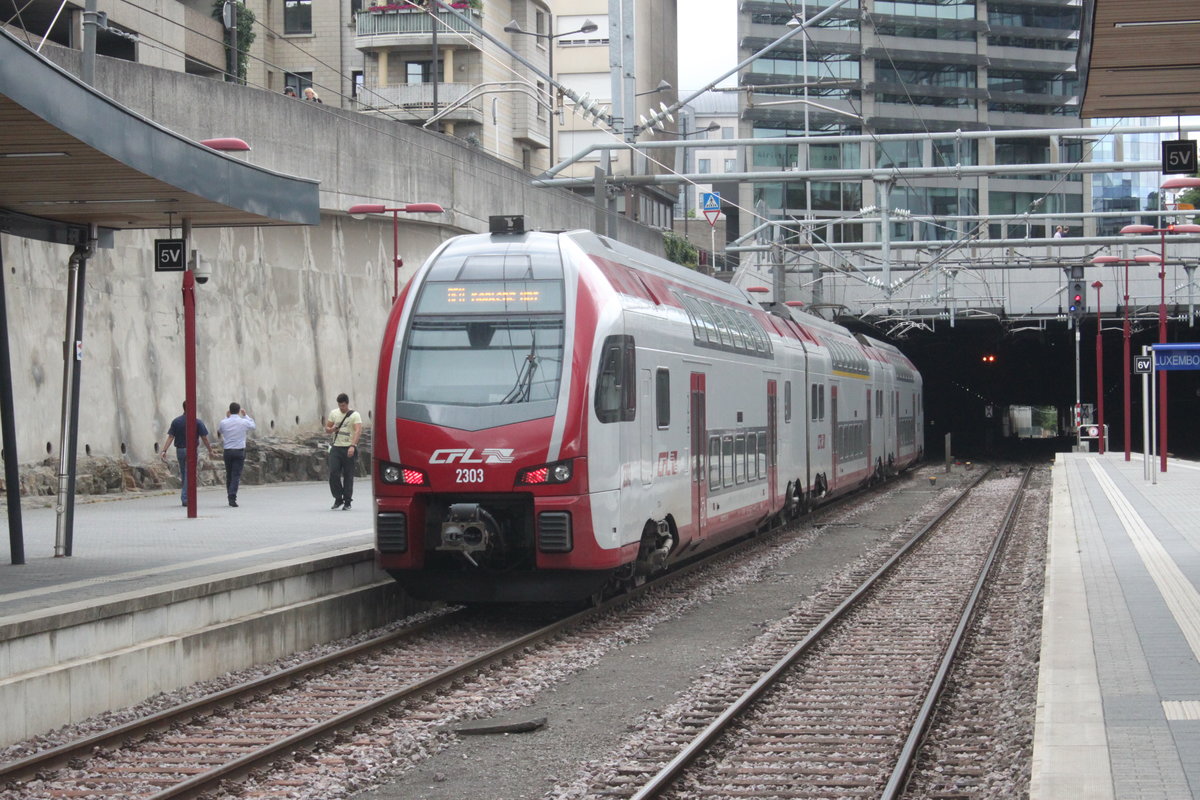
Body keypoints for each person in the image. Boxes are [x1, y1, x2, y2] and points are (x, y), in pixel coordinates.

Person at [160, 403, 216, 506]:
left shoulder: (176, 421)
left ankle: (186, 494)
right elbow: (204, 438)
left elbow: (170, 437)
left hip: (180, 450)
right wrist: (210, 450)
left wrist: (164, 450)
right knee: (189, 473)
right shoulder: (197, 422)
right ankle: (185, 497)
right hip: (192, 450)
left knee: (184, 472)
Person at [325, 392, 362, 510]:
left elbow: (357, 431)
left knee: (348, 475)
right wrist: (332, 429)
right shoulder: (334, 413)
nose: (342, 408)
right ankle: (338, 497)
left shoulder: (355, 415)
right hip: (336, 447)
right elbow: (327, 428)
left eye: (343, 406)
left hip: (348, 447)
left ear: (347, 404)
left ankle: (347, 501)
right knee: (333, 473)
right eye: (340, 406)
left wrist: (353, 445)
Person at [218, 402, 256, 507]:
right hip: (239, 451)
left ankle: (229, 495)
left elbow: (220, 430)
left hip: (228, 451)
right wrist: (245, 415)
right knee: (236, 475)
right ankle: (232, 496)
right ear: (239, 411)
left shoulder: (224, 422)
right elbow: (253, 426)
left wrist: (226, 417)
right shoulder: (243, 422)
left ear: (229, 411)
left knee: (229, 474)